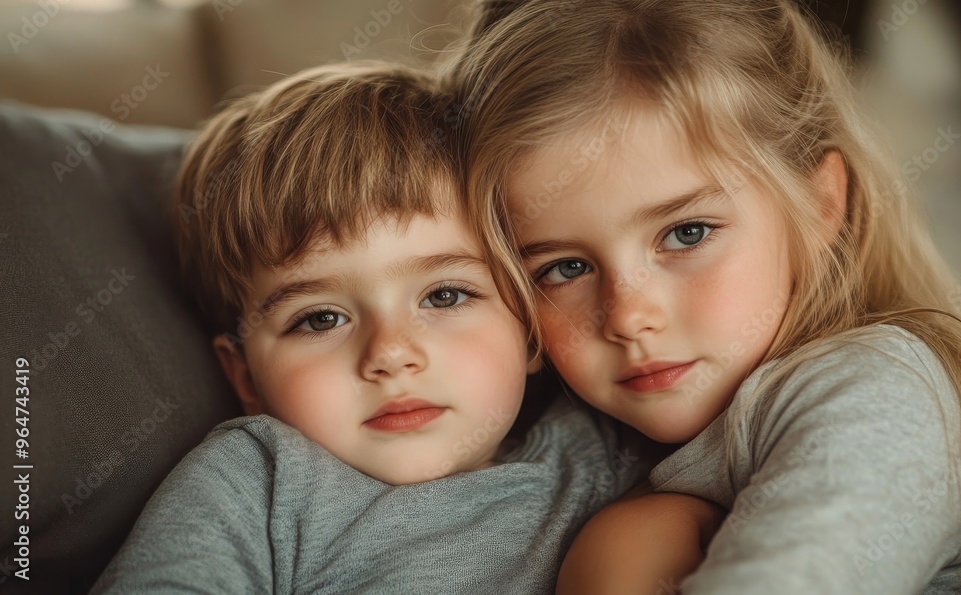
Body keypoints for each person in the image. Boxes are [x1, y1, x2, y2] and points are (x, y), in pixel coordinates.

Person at [451, 0, 961, 592]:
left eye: (687, 234)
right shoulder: (573, 442)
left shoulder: (880, 391)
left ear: (817, 209)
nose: (631, 316)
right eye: (565, 268)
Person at [90, 62, 649, 594]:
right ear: (246, 377)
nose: (390, 354)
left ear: (529, 326)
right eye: (321, 319)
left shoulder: (597, 448)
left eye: (445, 295)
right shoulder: (258, 482)